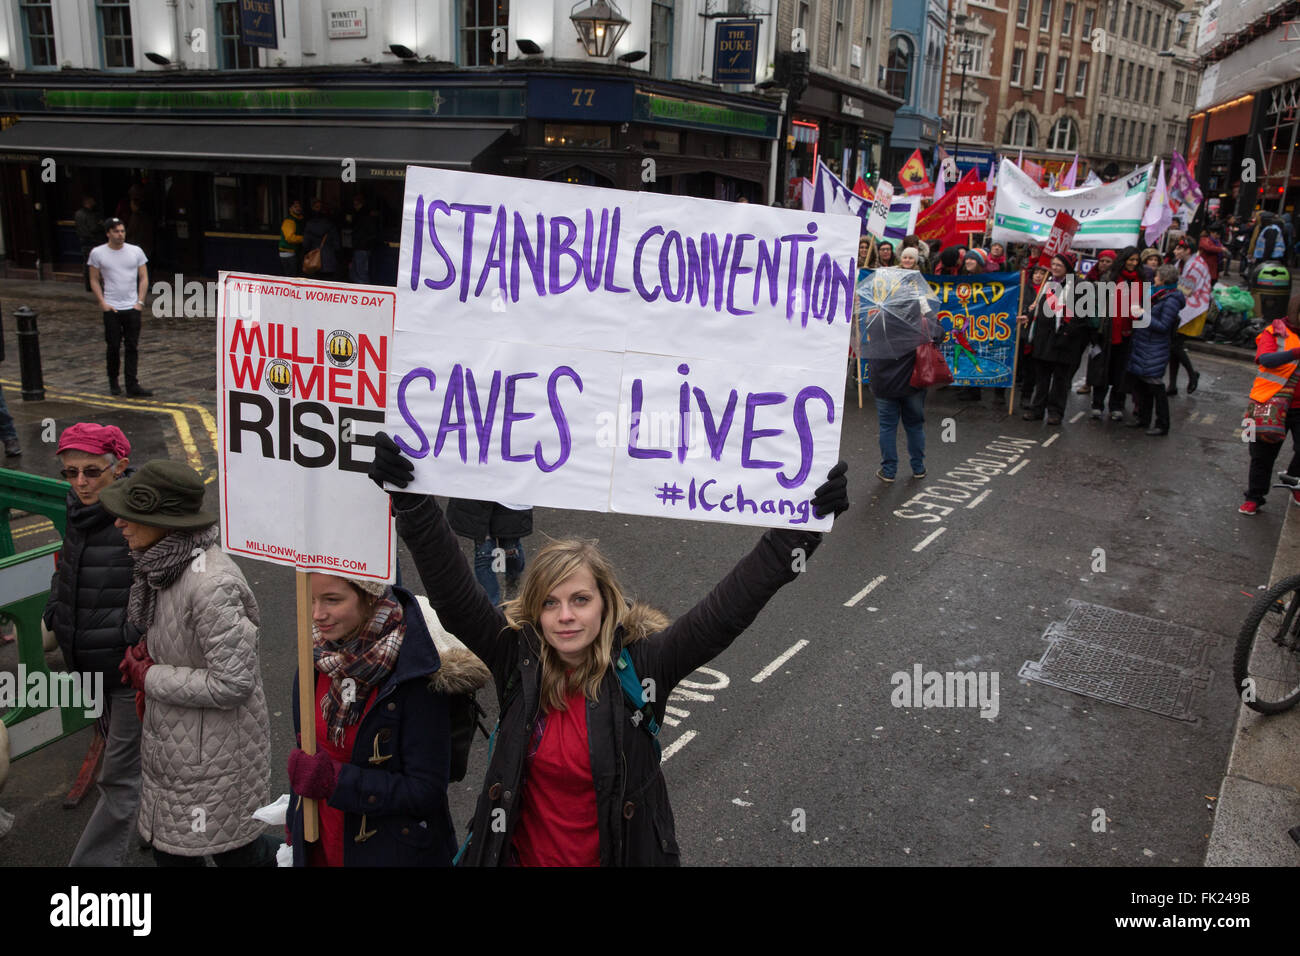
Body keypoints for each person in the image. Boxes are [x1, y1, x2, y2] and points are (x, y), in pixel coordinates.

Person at [369, 434, 849, 866]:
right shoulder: (516, 657)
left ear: (606, 605)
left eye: (580, 599)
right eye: (550, 603)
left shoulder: (645, 666)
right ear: (535, 612)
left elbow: (727, 609)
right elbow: (455, 599)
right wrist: (412, 503)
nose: (566, 616)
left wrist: (800, 531)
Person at [100, 461, 275, 866]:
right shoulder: (163, 566)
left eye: (131, 516)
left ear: (166, 522)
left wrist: (150, 674)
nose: (119, 525)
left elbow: (233, 683)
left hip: (214, 756)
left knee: (235, 855)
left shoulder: (212, 583)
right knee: (182, 852)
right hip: (182, 749)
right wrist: (150, 653)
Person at [285, 574, 490, 866]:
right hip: (323, 845)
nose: (317, 614)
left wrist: (336, 782)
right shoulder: (317, 657)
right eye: (311, 599)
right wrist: (296, 822)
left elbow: (426, 791)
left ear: (370, 597)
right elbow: (310, 761)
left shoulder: (414, 674)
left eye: (333, 599)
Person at [44, 424, 136, 865]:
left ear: (118, 467)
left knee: (119, 779)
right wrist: (55, 610)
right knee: (139, 767)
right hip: (88, 664)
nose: (80, 482)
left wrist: (131, 645)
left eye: (92, 471)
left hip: (125, 672)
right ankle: (172, 840)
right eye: (71, 472)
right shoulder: (78, 510)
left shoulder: (137, 515)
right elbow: (66, 567)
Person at [868, 299, 946, 481]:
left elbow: (867, 330)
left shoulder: (878, 321)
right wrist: (928, 312)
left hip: (884, 385)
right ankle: (918, 468)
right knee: (915, 426)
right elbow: (940, 334)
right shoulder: (922, 324)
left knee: (887, 428)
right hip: (914, 385)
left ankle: (888, 471)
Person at [1240, 294, 1300, 515]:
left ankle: (1293, 480)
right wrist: (1295, 352)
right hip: (1270, 402)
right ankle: (1254, 497)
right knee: (1262, 455)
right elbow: (1265, 359)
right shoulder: (1274, 331)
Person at [1020, 252, 1090, 425]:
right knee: (1042, 377)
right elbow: (1039, 307)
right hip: (1044, 339)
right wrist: (1028, 316)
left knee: (1060, 379)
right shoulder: (1049, 283)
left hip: (1064, 340)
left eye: (1059, 265)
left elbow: (1080, 316)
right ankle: (1037, 409)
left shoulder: (1079, 286)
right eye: (1053, 264)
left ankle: (1055, 412)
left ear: (1067, 267)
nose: (1055, 267)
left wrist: (1066, 333)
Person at [88, 217, 152, 398]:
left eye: (122, 231)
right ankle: (113, 381)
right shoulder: (98, 253)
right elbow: (93, 278)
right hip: (112, 308)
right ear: (108, 233)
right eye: (116, 231)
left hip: (132, 307)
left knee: (132, 346)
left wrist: (139, 302)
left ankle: (132, 384)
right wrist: (102, 303)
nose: (120, 235)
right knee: (113, 346)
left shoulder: (135, 251)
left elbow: (144, 277)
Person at [1125, 263, 1182, 436]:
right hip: (1144, 344)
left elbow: (1164, 326)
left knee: (1156, 386)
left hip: (1154, 347)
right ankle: (1143, 419)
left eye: (1157, 276)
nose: (1154, 278)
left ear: (1163, 279)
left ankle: (1162, 424)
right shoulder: (1160, 295)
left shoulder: (1171, 300)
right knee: (1143, 385)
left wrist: (1142, 314)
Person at [446, 499, 533, 605]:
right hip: (476, 498)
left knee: (510, 551)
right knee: (484, 554)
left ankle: (512, 582)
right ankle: (491, 608)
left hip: (509, 497)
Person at [1090, 247, 1142, 421]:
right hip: (1107, 330)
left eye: (1136, 261)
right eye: (1131, 259)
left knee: (1121, 372)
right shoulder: (1110, 278)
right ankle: (1097, 403)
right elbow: (1096, 304)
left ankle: (1116, 405)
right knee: (1102, 368)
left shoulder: (1140, 281)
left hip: (1128, 332)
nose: (1133, 263)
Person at [1169, 240, 1203, 395]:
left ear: (1187, 250)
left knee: (1175, 345)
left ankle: (1192, 375)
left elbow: (1186, 289)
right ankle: (1172, 384)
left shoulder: (1195, 266)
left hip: (1191, 311)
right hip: (1180, 309)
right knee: (1173, 347)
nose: (1176, 251)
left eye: (1179, 248)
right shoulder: (1180, 263)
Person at [303, 198, 341, 279]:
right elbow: (337, 245)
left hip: (314, 261)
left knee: (315, 287)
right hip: (329, 260)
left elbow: (305, 244)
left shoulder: (309, 225)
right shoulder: (331, 225)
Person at [75, 197, 104, 292]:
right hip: (92, 241)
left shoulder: (78, 213)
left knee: (87, 264)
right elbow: (93, 228)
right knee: (94, 264)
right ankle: (94, 284)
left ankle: (88, 285)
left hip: (83, 241)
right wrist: (100, 224)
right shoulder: (90, 214)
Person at [279, 199, 305, 276]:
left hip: (293, 252)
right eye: (295, 207)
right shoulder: (289, 221)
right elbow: (289, 238)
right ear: (290, 209)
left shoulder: (298, 219)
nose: (298, 208)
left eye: (299, 206)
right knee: (292, 277)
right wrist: (304, 238)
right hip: (288, 253)